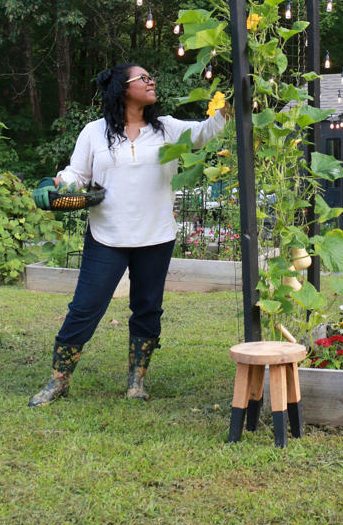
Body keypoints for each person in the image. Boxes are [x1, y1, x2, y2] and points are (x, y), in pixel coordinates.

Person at [28, 63, 228, 406]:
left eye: (152, 77)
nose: (152, 82)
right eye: (144, 78)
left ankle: (137, 380)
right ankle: (58, 380)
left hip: (156, 235)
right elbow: (77, 173)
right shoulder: (94, 132)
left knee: (147, 308)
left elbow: (206, 132)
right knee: (85, 307)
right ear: (123, 88)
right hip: (108, 235)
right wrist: (58, 184)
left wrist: (227, 100)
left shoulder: (166, 129)